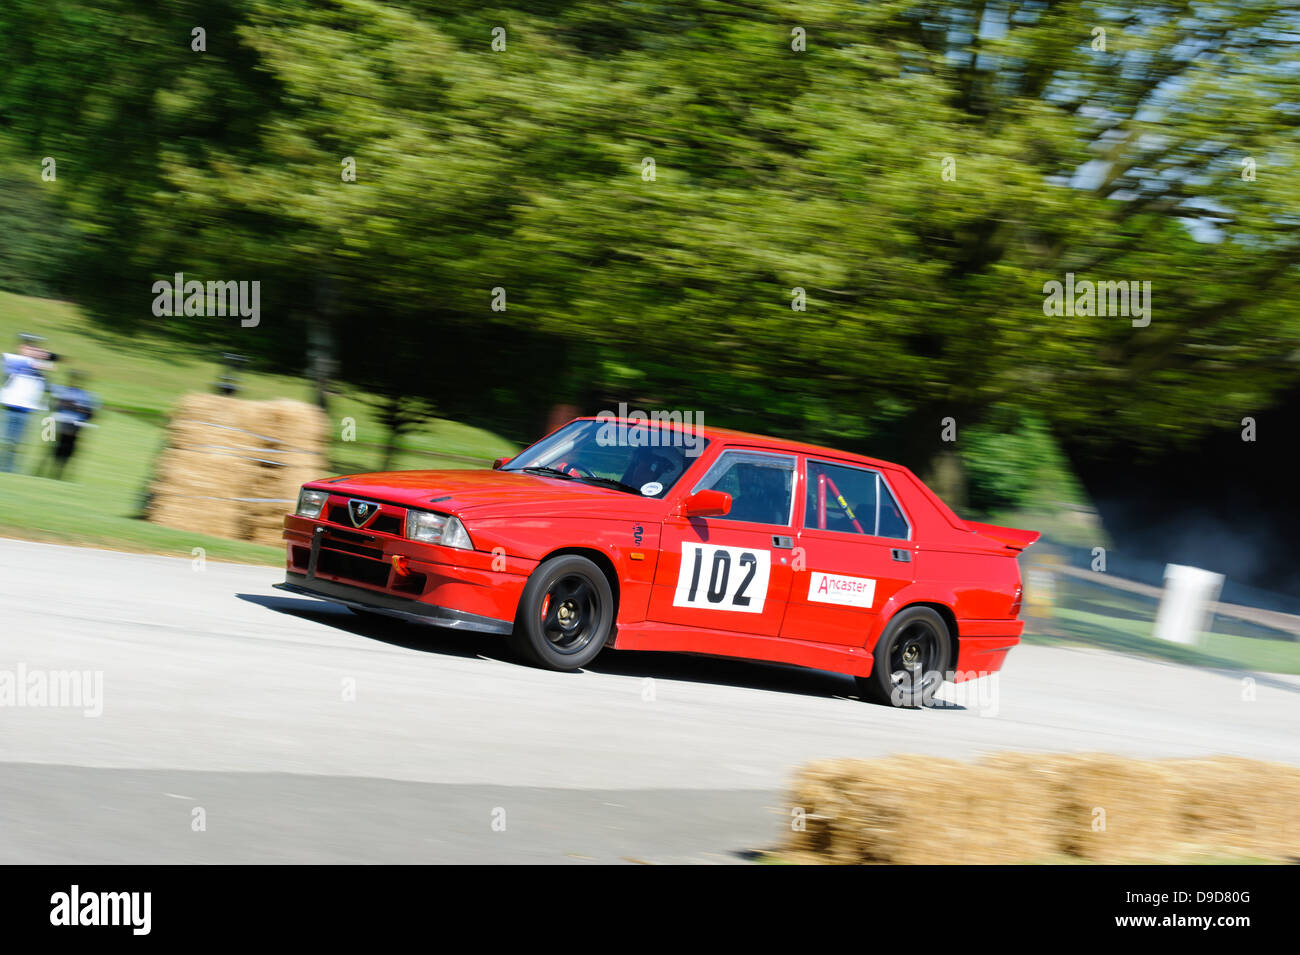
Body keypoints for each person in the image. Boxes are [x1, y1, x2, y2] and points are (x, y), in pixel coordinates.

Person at [0, 338, 55, 473]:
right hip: (10, 406)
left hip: (26, 409)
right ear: (21, 348)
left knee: (17, 441)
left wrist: (42, 358)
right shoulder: (14, 359)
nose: (31, 352)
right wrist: (39, 359)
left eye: (33, 350)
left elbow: (52, 365)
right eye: (28, 349)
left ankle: (10, 467)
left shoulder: (38, 367)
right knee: (5, 438)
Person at [37, 370, 97, 480]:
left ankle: (59, 475)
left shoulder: (88, 396)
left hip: (75, 426)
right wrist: (77, 407)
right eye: (74, 379)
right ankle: (41, 472)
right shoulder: (61, 390)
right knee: (51, 449)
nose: (76, 382)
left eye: (79, 380)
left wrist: (70, 405)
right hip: (58, 423)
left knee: (68, 452)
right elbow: (55, 404)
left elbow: (90, 413)